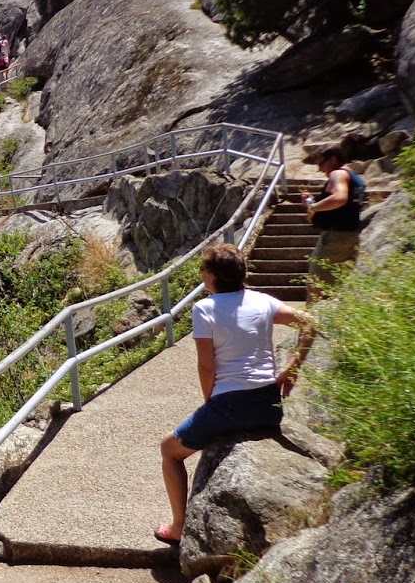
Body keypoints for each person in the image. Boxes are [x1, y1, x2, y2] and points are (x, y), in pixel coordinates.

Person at [155, 243, 315, 545]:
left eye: (203, 269)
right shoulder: (263, 301)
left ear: (213, 276)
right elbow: (311, 323)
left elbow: (206, 365)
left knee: (168, 450)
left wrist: (209, 403)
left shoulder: (205, 309)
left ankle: (177, 527)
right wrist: (291, 370)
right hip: (269, 404)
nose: (201, 274)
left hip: (230, 405)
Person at [301, 146, 366, 298]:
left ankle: (314, 320)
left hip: (336, 237)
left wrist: (314, 208)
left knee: (316, 285)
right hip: (350, 236)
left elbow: (339, 197)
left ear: (333, 159)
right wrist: (314, 202)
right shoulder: (352, 175)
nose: (320, 169)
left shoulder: (338, 174)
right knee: (338, 287)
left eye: (321, 164)